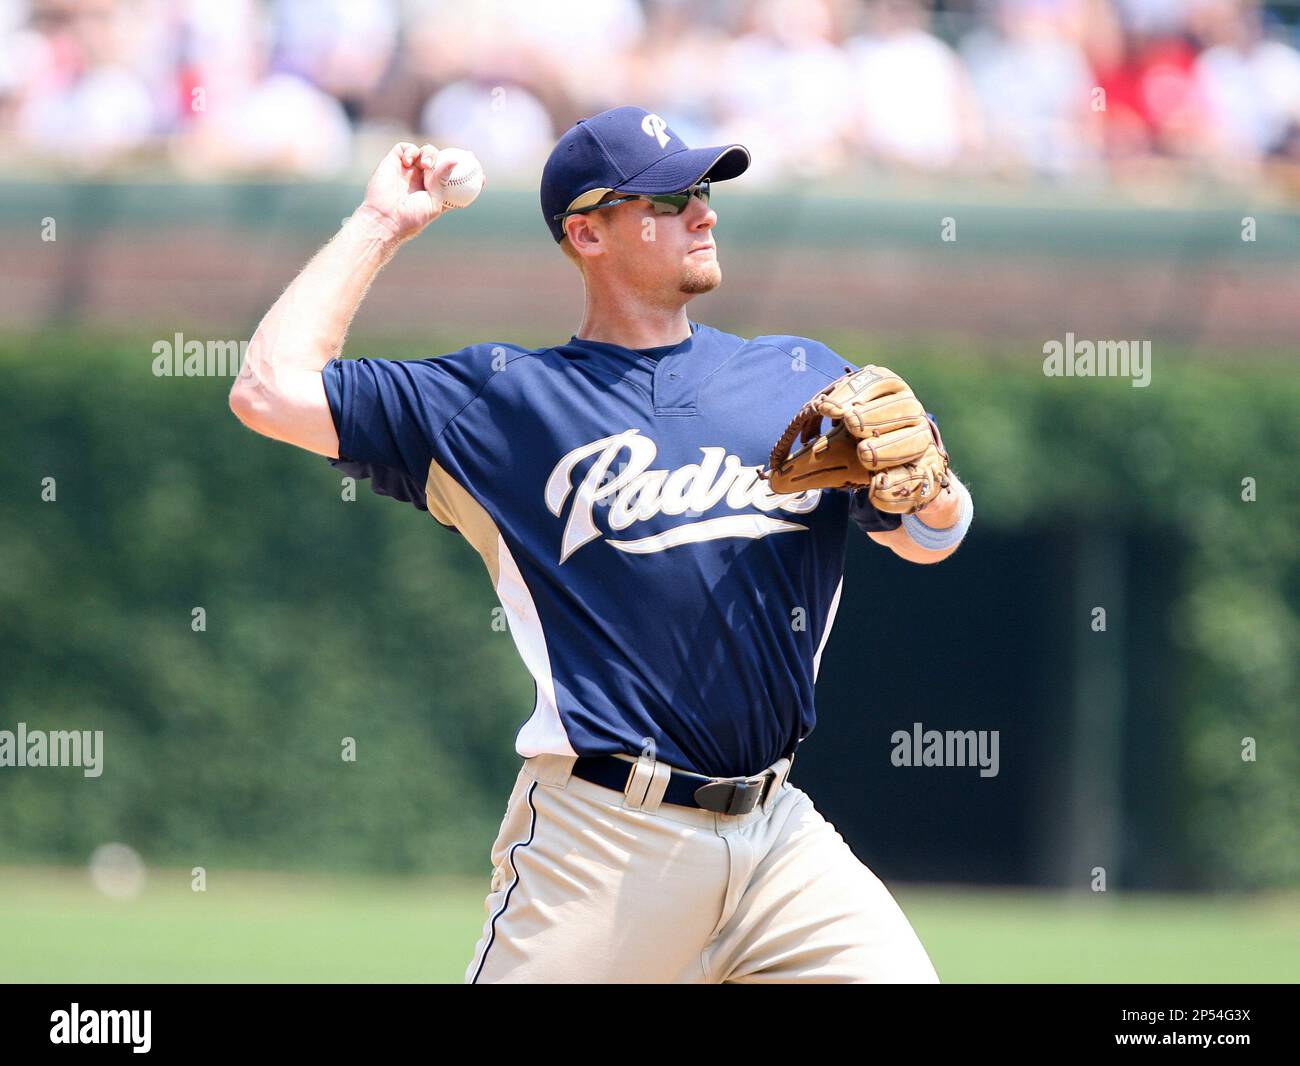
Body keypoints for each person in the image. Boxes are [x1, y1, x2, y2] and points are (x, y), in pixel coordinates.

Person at [228, 106, 973, 983]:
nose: (704, 211)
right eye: (667, 198)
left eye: (702, 190)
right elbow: (269, 392)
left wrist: (933, 481)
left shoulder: (802, 377)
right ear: (587, 232)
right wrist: (381, 223)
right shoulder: (504, 402)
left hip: (778, 839)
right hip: (606, 842)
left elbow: (933, 537)